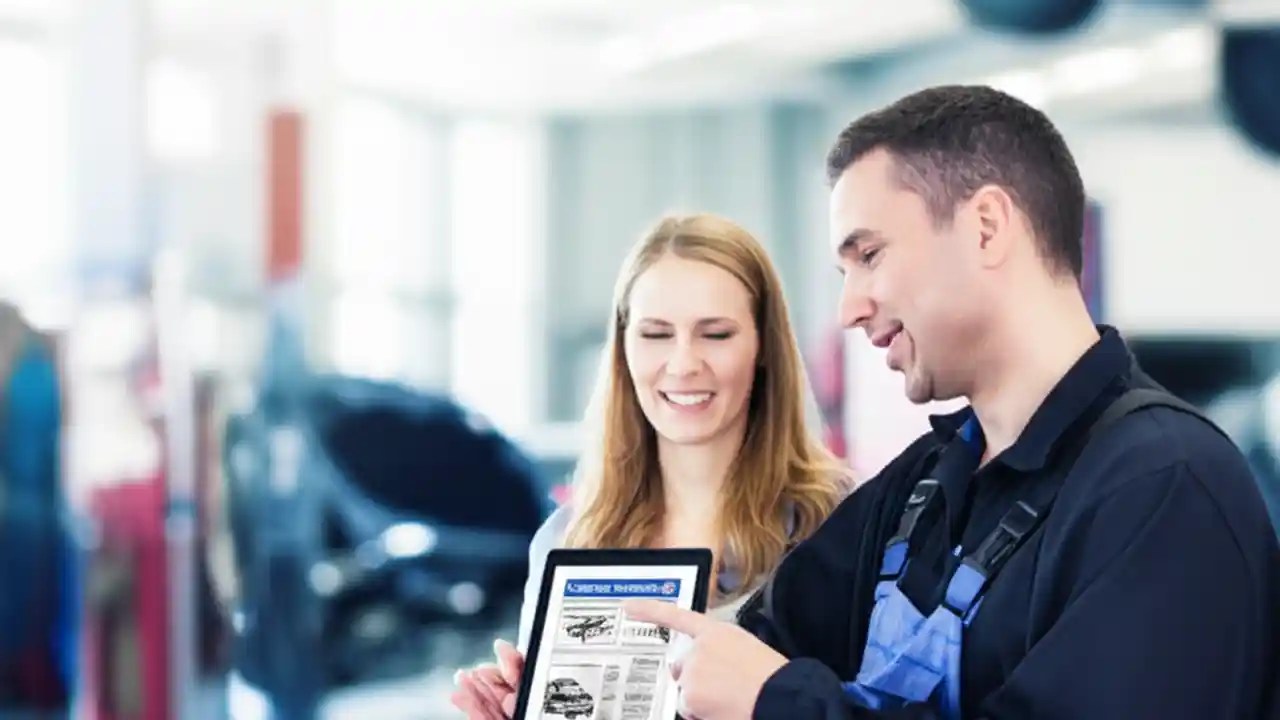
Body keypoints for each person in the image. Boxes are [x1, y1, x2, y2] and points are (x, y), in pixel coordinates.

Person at [625, 85, 1280, 719]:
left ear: (986, 228)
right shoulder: (925, 487)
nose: (850, 308)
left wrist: (782, 704)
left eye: (870, 255)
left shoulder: (1165, 488)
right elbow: (750, 653)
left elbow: (766, 690)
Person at [450, 213, 854, 718]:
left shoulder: (842, 523)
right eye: (657, 334)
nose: (683, 364)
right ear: (623, 349)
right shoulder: (567, 540)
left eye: (716, 334)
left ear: (763, 348)